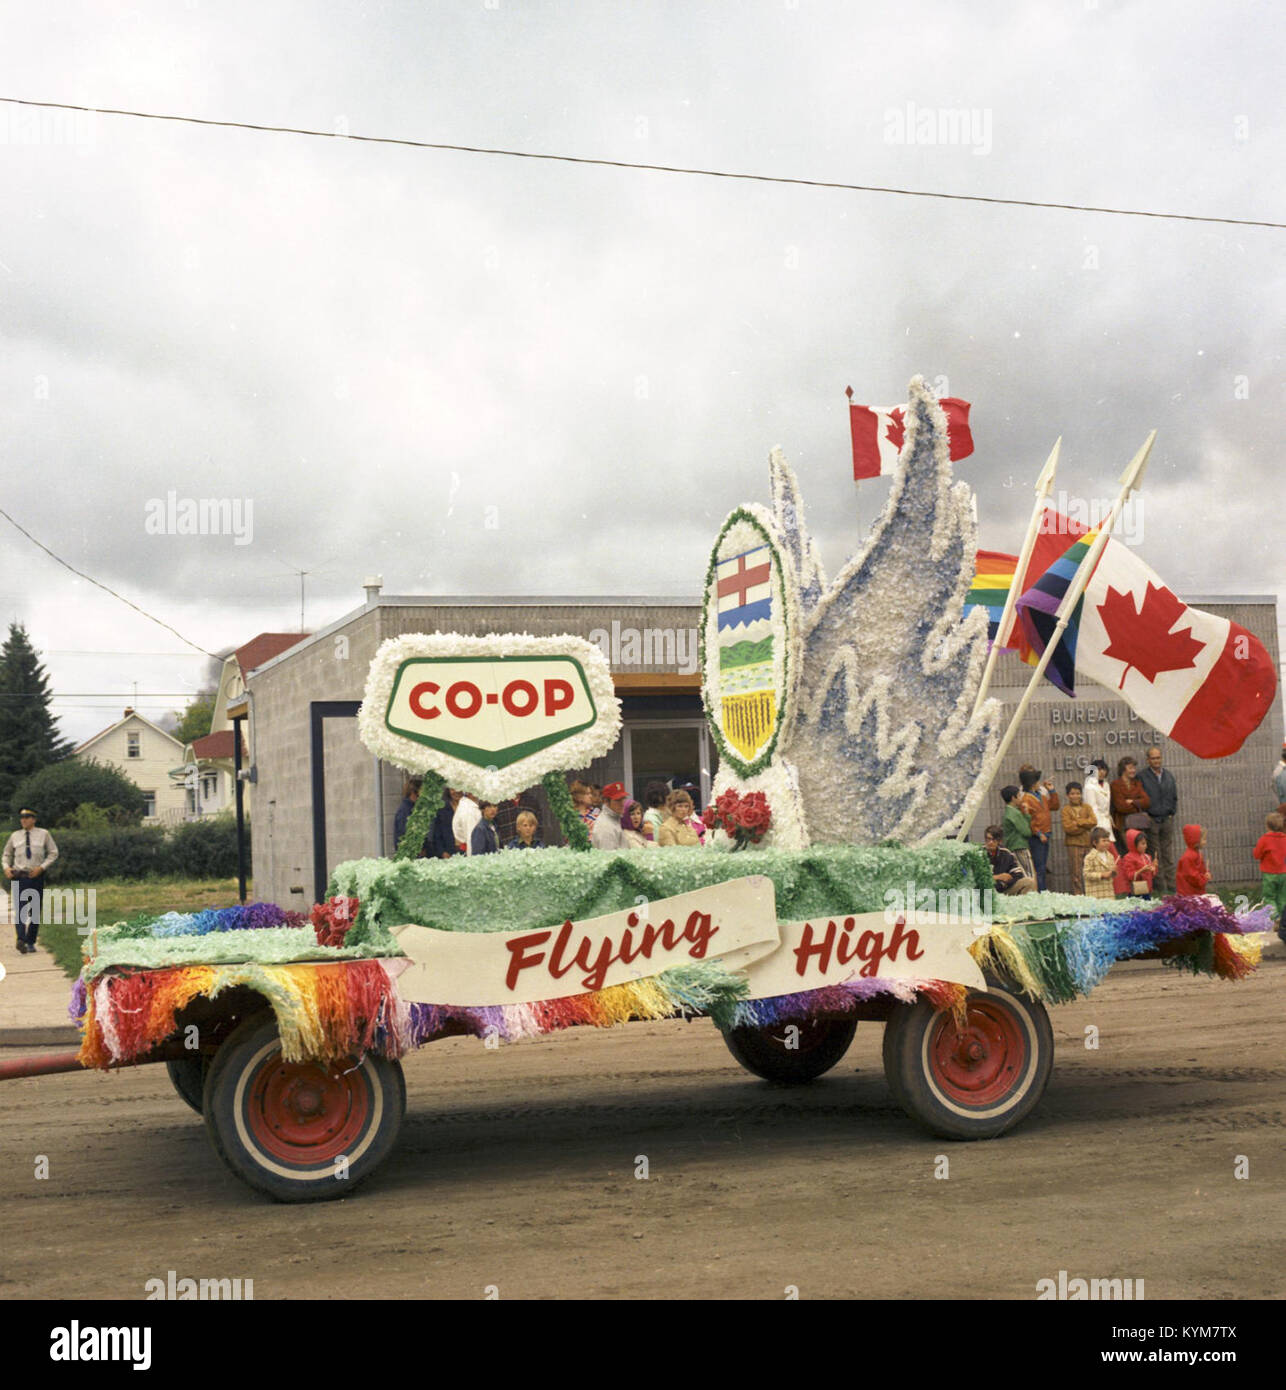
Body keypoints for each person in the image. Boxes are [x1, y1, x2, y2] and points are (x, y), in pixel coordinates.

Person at [2, 808, 59, 954]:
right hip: (19, 876)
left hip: (35, 876)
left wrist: (42, 867)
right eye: (21, 817)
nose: (24, 819)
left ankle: (31, 941)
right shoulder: (15, 836)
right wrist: (6, 868)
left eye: (27, 817)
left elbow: (53, 853)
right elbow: (6, 854)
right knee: (20, 910)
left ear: (34, 819)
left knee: (34, 911)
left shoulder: (44, 834)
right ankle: (21, 940)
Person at [1139, 746, 1178, 895]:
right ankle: (1161, 888)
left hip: (1166, 819)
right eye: (1153, 758)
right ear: (1148, 760)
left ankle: (1172, 886)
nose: (1156, 761)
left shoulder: (1168, 775)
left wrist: (1171, 813)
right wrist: (1146, 815)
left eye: (1158, 758)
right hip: (1152, 820)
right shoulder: (1142, 776)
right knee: (1155, 854)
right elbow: (1140, 797)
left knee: (1167, 854)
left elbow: (1174, 796)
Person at [1017, 766, 1059, 891]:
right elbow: (1027, 820)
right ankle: (1041, 893)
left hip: (1046, 834)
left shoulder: (1041, 795)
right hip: (1037, 837)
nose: (1039, 783)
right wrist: (1038, 833)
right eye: (1037, 781)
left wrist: (1052, 791)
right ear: (1032, 784)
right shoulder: (1026, 799)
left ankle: (1042, 892)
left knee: (1042, 867)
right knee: (1039, 868)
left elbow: (1055, 806)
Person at [1060, 781, 1098, 895]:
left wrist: (1078, 822)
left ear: (1081, 794)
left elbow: (1094, 821)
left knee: (1090, 870)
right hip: (1074, 845)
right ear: (1067, 795)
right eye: (1072, 794)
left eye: (1077, 793)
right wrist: (1085, 826)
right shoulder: (1066, 810)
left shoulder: (1087, 807)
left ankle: (1092, 894)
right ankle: (1079, 896)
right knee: (1076, 873)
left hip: (1088, 843)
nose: (1075, 796)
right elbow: (1068, 828)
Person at [1110, 757, 1150, 855]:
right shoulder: (1115, 785)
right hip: (1124, 824)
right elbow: (1121, 806)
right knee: (1130, 852)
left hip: (1139, 824)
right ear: (1123, 769)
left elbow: (1147, 802)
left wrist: (1133, 801)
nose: (1134, 770)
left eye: (1134, 768)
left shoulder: (1137, 783)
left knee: (1141, 851)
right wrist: (1138, 804)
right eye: (1131, 768)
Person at [1252, 812, 1286, 923]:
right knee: (1283, 897)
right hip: (1284, 873)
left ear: (1267, 826)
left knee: (1269, 897)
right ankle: (1284, 919)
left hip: (1269, 873)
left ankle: (1275, 917)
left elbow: (1257, 855)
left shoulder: (1264, 839)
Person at [983, 825, 1035, 895]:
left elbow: (1018, 874)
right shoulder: (979, 853)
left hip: (1004, 888)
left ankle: (1022, 905)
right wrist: (998, 877)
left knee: (1029, 882)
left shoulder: (1006, 853)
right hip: (985, 891)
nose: (990, 842)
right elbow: (976, 877)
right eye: (988, 839)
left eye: (994, 839)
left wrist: (1004, 883)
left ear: (1000, 841)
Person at [1000, 785, 1035, 884]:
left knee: (1021, 876)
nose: (1021, 798)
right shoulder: (1015, 813)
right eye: (1019, 796)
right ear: (1013, 798)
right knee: (1029, 876)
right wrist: (1027, 814)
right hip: (1020, 847)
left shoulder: (1008, 812)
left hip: (1012, 847)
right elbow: (1027, 832)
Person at [1113, 828, 1156, 900]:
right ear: (1133, 844)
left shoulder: (1147, 856)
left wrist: (1154, 868)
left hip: (1146, 889)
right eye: (1143, 844)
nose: (1146, 846)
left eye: (1146, 843)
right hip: (1134, 891)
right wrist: (1141, 871)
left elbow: (1151, 875)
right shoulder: (1128, 858)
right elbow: (1129, 876)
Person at [590, 781, 629, 850]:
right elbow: (609, 858)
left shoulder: (613, 819)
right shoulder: (605, 825)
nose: (622, 803)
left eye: (623, 799)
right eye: (618, 800)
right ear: (606, 801)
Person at [1083, 828, 1119, 901]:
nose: (1107, 843)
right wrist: (1102, 875)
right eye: (1104, 841)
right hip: (1095, 894)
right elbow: (1086, 874)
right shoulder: (1090, 857)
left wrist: (1114, 872)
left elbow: (1112, 875)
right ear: (1095, 843)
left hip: (1109, 893)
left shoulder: (1110, 856)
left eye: (1108, 840)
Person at [1176, 824, 1211, 897]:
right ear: (1196, 840)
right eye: (1204, 839)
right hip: (1188, 893)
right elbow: (1192, 876)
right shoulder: (1188, 857)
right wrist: (1204, 878)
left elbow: (1200, 870)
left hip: (1193, 891)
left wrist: (1206, 874)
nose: (1205, 842)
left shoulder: (1196, 853)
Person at [428, 787, 462, 859]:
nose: (456, 791)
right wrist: (442, 852)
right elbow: (437, 833)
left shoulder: (469, 808)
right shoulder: (442, 808)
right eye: (453, 789)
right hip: (449, 851)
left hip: (465, 850)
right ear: (448, 790)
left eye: (459, 788)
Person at [1083, 759, 1113, 837]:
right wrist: (1098, 826)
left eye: (1103, 769)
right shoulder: (1089, 786)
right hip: (1098, 824)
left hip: (1106, 822)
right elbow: (1092, 808)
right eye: (1098, 769)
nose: (1102, 772)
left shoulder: (1106, 785)